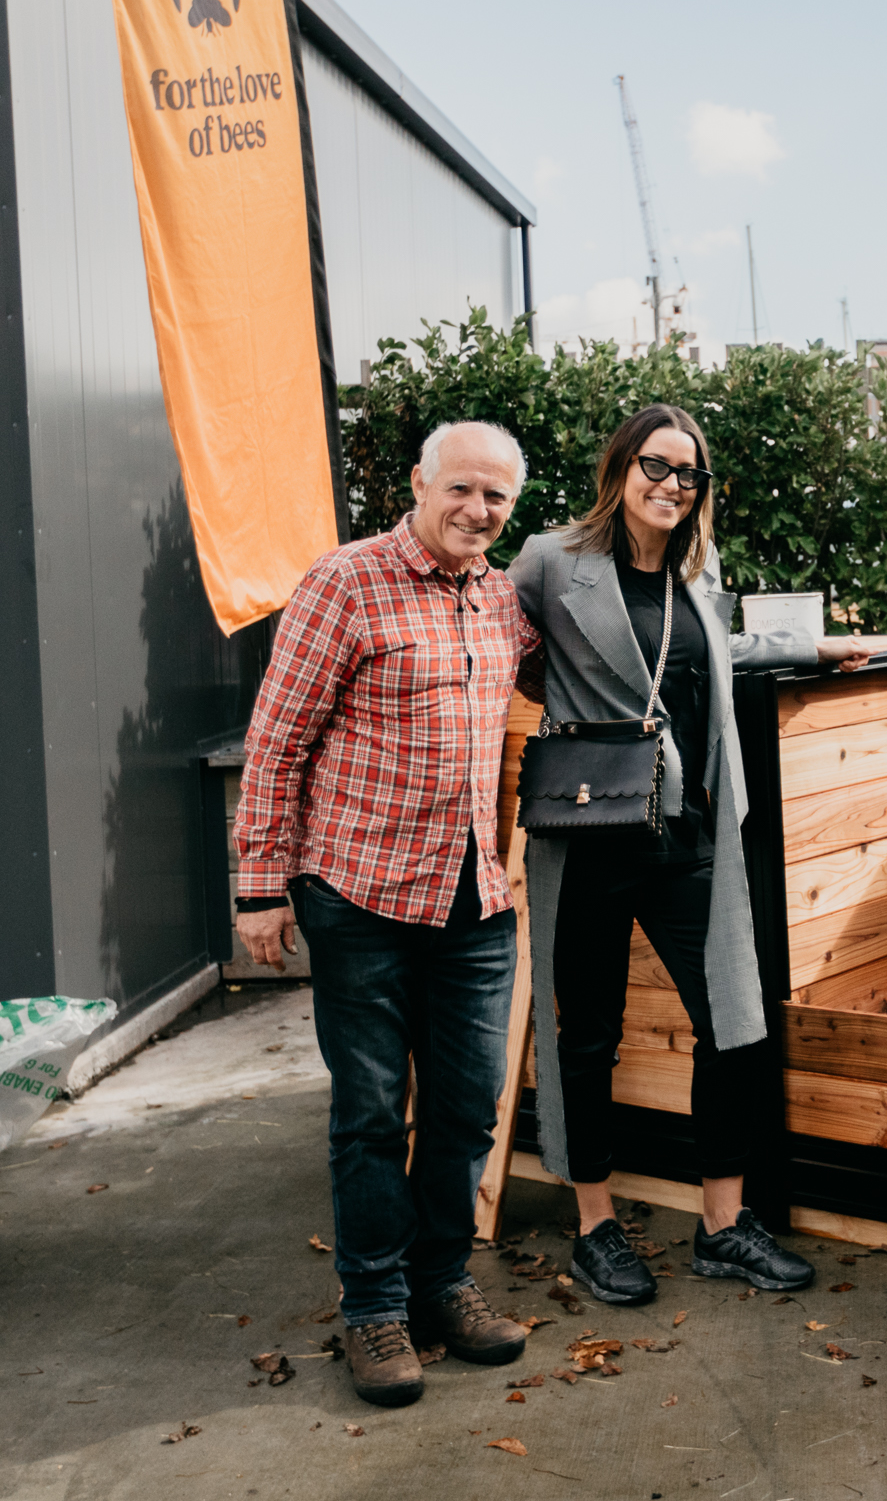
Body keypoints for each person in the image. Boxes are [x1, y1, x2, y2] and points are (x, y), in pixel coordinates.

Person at [507, 403, 871, 1306]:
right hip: (588, 832)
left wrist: (812, 647)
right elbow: (497, 645)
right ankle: (595, 1226)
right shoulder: (551, 562)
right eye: (656, 466)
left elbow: (723, 651)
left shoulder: (695, 574)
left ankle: (722, 1225)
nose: (672, 485)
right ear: (620, 467)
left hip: (689, 831)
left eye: (689, 473)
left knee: (734, 1022)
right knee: (588, 1036)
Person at [231, 421, 542, 1410]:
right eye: (461, 489)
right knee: (370, 1113)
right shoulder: (346, 582)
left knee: (467, 1103)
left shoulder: (502, 596)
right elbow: (277, 741)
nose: (477, 510)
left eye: (496, 497)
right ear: (419, 483)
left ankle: (440, 1284)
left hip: (472, 897)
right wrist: (258, 887)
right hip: (359, 894)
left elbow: (576, 660)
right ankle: (373, 1307)